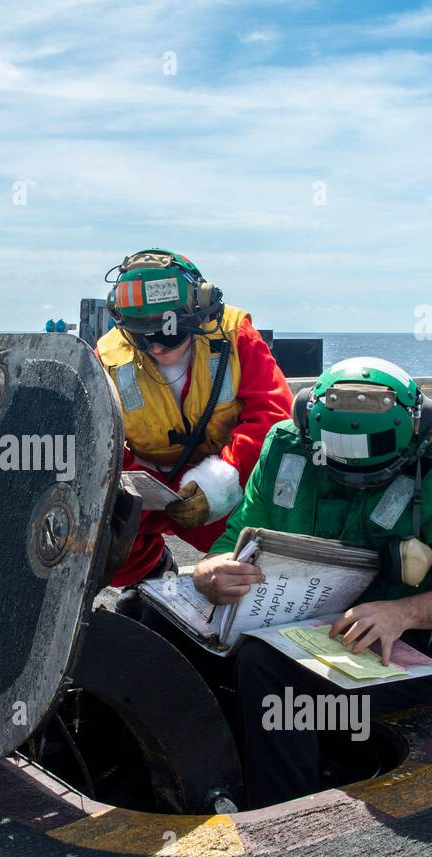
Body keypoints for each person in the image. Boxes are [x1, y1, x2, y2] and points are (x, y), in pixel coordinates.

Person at [193, 356, 432, 807]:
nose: (357, 485)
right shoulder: (286, 446)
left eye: (374, 476)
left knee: (264, 669)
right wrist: (211, 569)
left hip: (401, 643)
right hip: (288, 621)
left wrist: (403, 613)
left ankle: (283, 813)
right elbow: (237, 536)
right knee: (145, 619)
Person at [96, 249, 292, 613]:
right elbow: (100, 437)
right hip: (152, 488)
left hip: (233, 485)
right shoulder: (108, 356)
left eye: (167, 335)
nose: (155, 345)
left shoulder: (235, 335)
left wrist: (221, 480)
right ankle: (154, 575)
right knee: (107, 533)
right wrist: (132, 484)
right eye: (141, 337)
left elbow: (273, 416)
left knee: (258, 549)